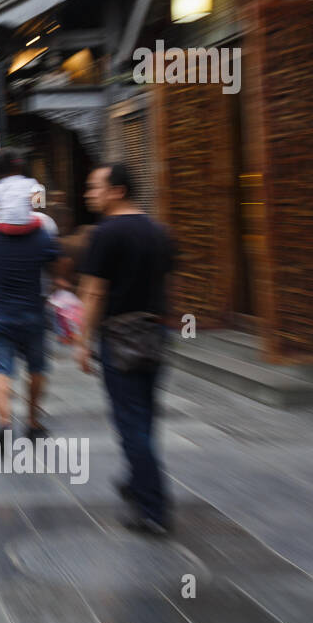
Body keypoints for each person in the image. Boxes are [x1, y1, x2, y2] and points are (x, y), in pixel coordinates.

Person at [77, 163, 176, 537]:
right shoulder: (158, 231)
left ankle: (153, 509)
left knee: (130, 422)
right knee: (145, 416)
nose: (90, 194)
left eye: (95, 187)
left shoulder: (106, 233)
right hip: (155, 332)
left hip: (119, 335)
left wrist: (83, 341)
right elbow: (167, 281)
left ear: (117, 190)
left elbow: (94, 292)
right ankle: (137, 481)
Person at [0, 190, 60, 444]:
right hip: (34, 311)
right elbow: (57, 263)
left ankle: (4, 421)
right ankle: (33, 422)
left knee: (0, 369)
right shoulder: (42, 233)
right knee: (36, 368)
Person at [0, 147, 46, 233]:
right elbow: (39, 204)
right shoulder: (32, 182)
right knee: (40, 219)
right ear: (21, 165)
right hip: (26, 227)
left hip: (3, 227)